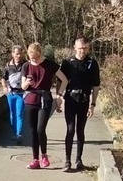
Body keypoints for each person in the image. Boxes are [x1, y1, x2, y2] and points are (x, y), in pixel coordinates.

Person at [54, 36, 101, 172]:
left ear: (88, 48)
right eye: (80, 48)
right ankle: (67, 161)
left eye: (85, 48)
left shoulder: (92, 63)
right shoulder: (68, 62)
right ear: (75, 47)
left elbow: (96, 86)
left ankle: (79, 160)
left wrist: (93, 104)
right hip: (70, 99)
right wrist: (59, 98)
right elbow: (61, 81)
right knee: (70, 130)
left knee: (80, 131)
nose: (82, 51)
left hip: (84, 100)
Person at [20, 42, 60, 169]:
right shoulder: (26, 66)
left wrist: (59, 95)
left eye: (36, 57)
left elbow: (63, 79)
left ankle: (44, 155)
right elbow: (22, 86)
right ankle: (35, 159)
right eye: (31, 57)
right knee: (32, 131)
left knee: (40, 129)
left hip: (44, 99)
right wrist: (27, 82)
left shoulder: (49, 64)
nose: (34, 60)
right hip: (30, 99)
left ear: (40, 54)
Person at [0, 45, 26, 143]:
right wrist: (4, 87)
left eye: (20, 53)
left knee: (19, 114)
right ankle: (15, 133)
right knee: (12, 114)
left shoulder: (25, 65)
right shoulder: (8, 65)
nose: (19, 55)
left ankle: (19, 134)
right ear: (13, 54)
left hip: (22, 93)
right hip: (11, 94)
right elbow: (3, 78)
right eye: (17, 53)